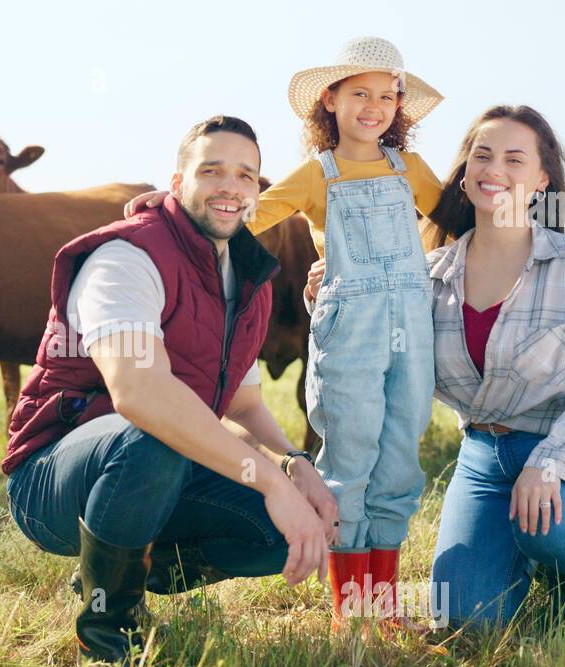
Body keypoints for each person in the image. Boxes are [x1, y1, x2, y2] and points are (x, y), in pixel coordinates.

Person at [128, 37, 445, 630]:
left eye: (385, 95)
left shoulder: (412, 169)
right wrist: (171, 206)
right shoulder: (313, 175)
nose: (372, 107)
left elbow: (457, 221)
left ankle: (387, 609)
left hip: (412, 331)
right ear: (330, 100)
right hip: (351, 330)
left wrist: (540, 211)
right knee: (350, 460)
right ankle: (351, 615)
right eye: (358, 94)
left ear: (398, 105)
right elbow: (240, 216)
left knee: (399, 459)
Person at [2, 116, 338, 667]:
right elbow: (140, 393)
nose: (230, 186)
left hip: (159, 466)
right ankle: (110, 633)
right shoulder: (128, 257)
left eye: (245, 175)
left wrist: (293, 465)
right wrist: (266, 481)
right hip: (55, 478)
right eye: (211, 170)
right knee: (150, 437)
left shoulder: (246, 275)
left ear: (257, 191)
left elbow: (244, 404)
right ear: (177, 182)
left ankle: (111, 568)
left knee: (276, 531)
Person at [307, 105, 565, 631]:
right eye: (482, 156)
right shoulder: (423, 276)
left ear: (541, 180)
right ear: (465, 175)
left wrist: (548, 464)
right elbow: (373, 353)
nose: (495, 170)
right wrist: (334, 300)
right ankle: (521, 550)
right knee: (466, 620)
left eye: (515, 159)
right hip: (486, 457)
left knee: (551, 532)